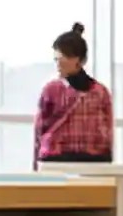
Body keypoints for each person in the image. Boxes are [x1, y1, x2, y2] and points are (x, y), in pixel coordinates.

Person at [33, 23, 113, 168]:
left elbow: (107, 133)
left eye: (60, 59)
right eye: (55, 60)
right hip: (56, 160)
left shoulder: (100, 92)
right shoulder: (51, 90)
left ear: (76, 59)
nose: (57, 64)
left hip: (93, 161)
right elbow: (39, 130)